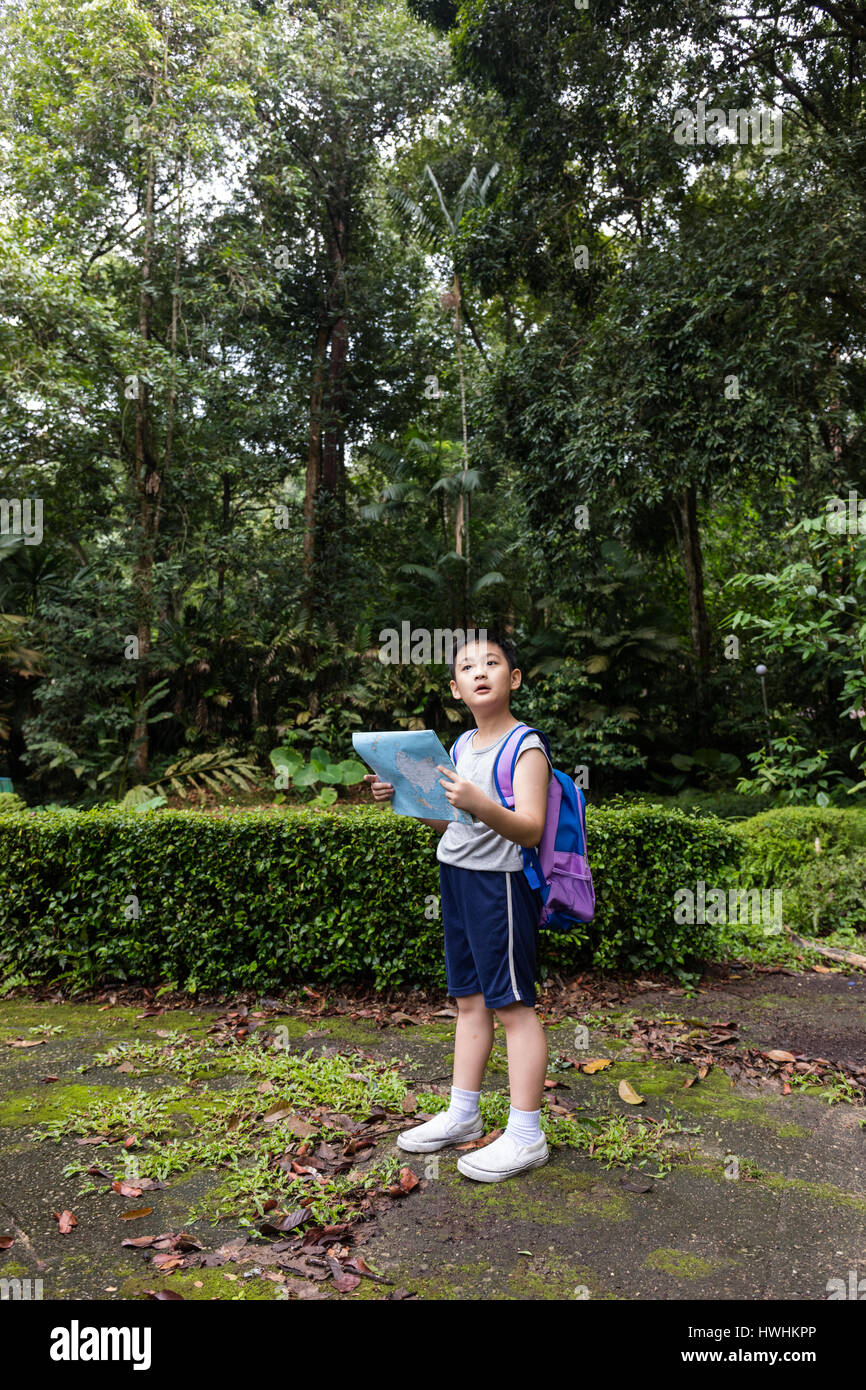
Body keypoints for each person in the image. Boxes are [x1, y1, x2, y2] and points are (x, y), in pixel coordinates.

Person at [363, 631, 552, 1182]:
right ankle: (463, 1114)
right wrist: (398, 796)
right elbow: (452, 824)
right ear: (455, 688)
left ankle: (525, 1134)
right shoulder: (460, 748)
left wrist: (481, 802)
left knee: (513, 1006)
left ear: (513, 678)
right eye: (468, 667)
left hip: (501, 886)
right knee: (469, 1000)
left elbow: (531, 829)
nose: (481, 672)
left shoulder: (526, 746)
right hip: (458, 876)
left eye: (492, 663)